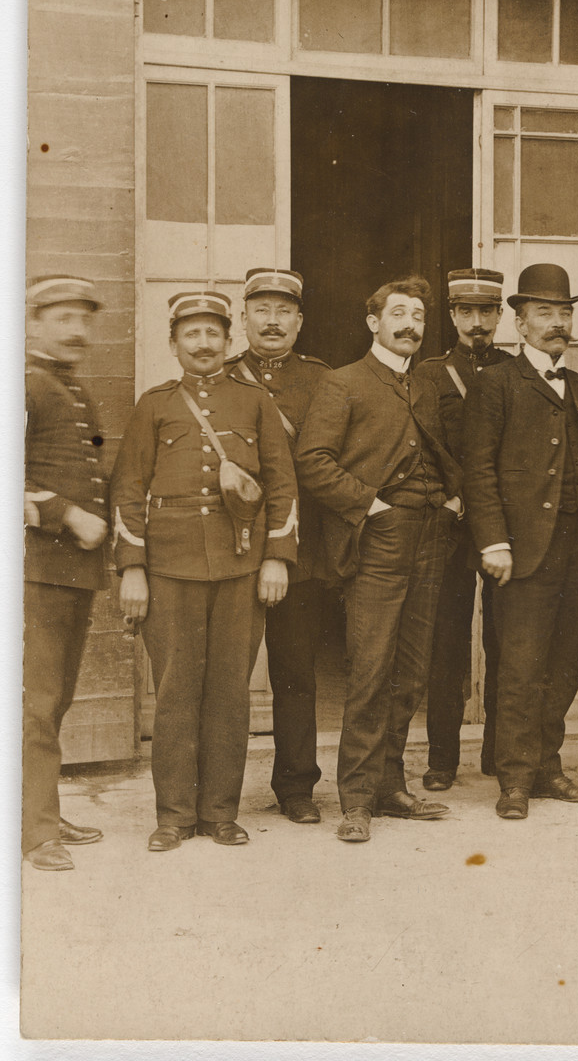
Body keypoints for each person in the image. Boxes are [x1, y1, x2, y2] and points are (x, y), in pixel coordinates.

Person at [111, 291, 299, 852]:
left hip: (240, 567)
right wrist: (133, 568)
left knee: (228, 693)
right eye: (191, 334)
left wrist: (276, 556)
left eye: (212, 333)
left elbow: (282, 484)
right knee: (174, 693)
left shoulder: (255, 402)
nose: (203, 343)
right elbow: (127, 491)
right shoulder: (154, 405)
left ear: (227, 340)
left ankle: (219, 813)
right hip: (169, 570)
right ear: (174, 344)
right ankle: (173, 816)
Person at [295, 277, 462, 843]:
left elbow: (443, 453)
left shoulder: (426, 385)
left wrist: (451, 498)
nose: (410, 324)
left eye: (418, 316)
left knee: (411, 671)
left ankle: (391, 786)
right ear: (373, 322)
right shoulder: (342, 382)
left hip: (430, 536)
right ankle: (357, 800)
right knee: (370, 671)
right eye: (398, 314)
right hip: (379, 539)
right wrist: (371, 505)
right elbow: (313, 461)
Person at [463, 263, 578, 821]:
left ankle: (548, 766)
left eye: (565, 313)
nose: (558, 323)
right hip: (521, 549)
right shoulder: (495, 383)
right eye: (545, 313)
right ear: (521, 323)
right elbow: (478, 469)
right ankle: (515, 779)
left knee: (565, 664)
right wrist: (493, 542)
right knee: (521, 667)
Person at [229, 268, 330, 825]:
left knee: (295, 672)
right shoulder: (222, 378)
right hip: (230, 548)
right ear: (243, 318)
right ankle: (216, 791)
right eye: (262, 310)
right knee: (225, 674)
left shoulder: (322, 380)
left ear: (300, 321)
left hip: (299, 550)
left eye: (283, 311)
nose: (273, 321)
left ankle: (296, 787)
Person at [23, 276, 110, 871]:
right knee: (36, 703)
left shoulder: (69, 386)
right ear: (33, 323)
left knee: (54, 701)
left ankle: (39, 811)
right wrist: (66, 514)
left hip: (72, 572)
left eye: (83, 319)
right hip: (35, 570)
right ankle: (35, 834)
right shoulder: (23, 383)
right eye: (62, 319)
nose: (77, 331)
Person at [415, 268, 509, 791]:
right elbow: (421, 446)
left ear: (500, 316)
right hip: (448, 525)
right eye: (467, 312)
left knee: (505, 639)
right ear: (452, 315)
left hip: (502, 528)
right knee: (445, 642)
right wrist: (448, 498)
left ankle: (498, 752)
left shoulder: (516, 371)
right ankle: (442, 759)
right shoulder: (430, 374)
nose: (478, 322)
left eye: (487, 312)